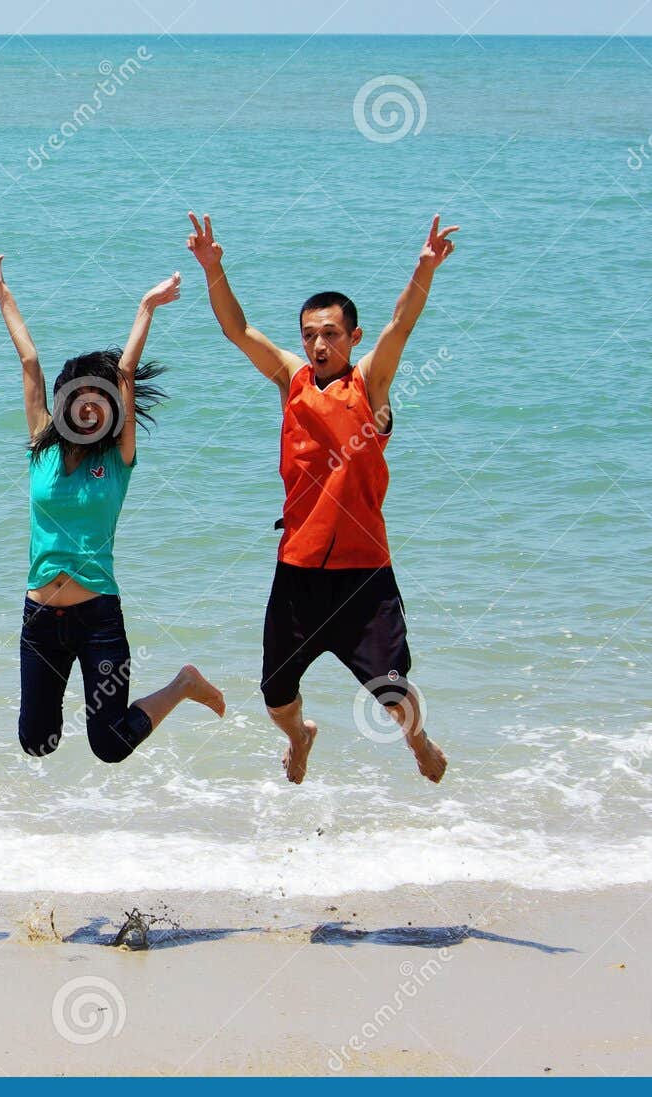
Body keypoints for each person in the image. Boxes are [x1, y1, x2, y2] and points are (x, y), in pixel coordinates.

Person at [186, 209, 456, 784]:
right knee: (276, 695)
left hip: (363, 572)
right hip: (299, 569)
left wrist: (425, 269)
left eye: (330, 333)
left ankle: (418, 740)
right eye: (309, 334)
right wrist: (212, 268)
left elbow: (401, 326)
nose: (318, 343)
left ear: (352, 337)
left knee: (393, 691)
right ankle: (300, 736)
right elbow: (239, 330)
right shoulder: (292, 380)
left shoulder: (370, 383)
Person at [0, 254, 225, 767]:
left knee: (109, 745)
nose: (89, 406)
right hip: (40, 617)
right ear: (63, 402)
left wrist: (146, 307)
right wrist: (3, 295)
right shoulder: (41, 449)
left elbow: (127, 371)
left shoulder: (117, 460)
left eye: (100, 398)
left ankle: (183, 684)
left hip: (98, 619)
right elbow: (30, 363)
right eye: (80, 397)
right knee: (37, 742)